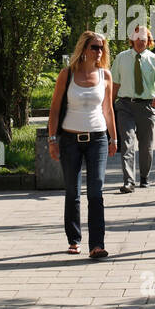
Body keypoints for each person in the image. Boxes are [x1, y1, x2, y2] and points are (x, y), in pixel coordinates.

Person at [47, 30, 118, 258]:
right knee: (73, 192)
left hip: (97, 139)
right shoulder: (66, 74)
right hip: (69, 140)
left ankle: (97, 244)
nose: (99, 52)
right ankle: (74, 239)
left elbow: (108, 110)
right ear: (83, 49)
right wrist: (51, 140)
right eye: (94, 47)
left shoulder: (105, 76)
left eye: (102, 48)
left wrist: (113, 138)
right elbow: (55, 109)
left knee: (96, 192)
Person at [110, 24, 155, 193]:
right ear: (131, 40)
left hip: (146, 106)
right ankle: (128, 181)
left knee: (145, 145)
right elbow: (115, 83)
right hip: (125, 105)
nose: (139, 42)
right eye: (136, 39)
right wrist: (109, 103)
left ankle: (144, 176)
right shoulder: (121, 58)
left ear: (148, 41)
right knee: (127, 143)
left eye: (143, 40)